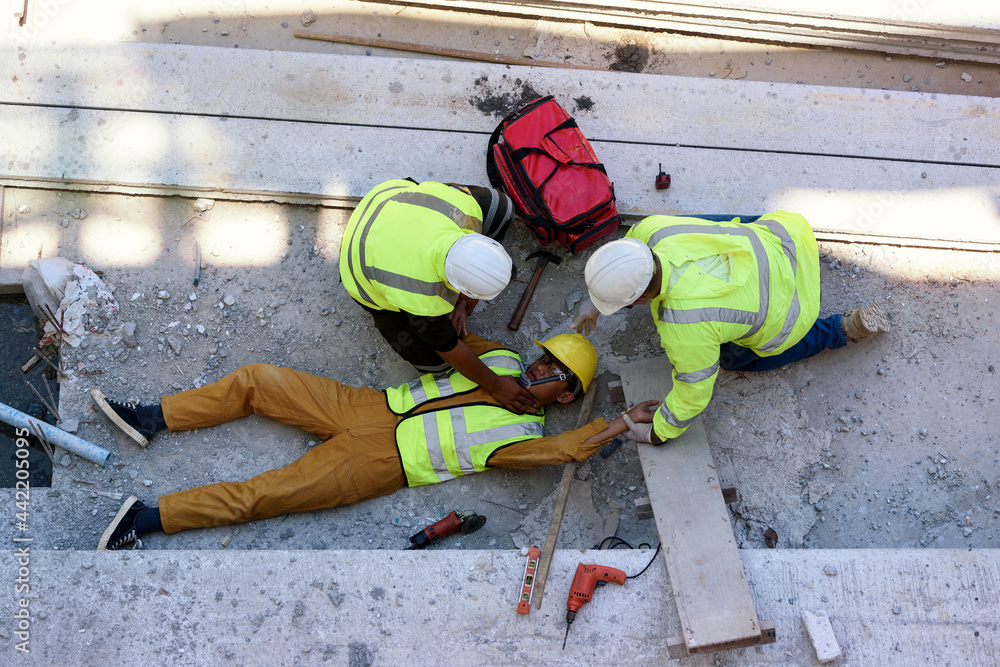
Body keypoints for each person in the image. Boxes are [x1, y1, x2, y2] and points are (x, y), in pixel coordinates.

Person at [90, 333, 659, 551]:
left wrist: (619, 424)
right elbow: (452, 338)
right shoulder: (504, 360)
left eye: (555, 372)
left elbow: (562, 452)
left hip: (379, 462)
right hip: (368, 405)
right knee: (258, 380)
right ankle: (151, 418)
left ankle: (148, 518)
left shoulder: (522, 435)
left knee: (263, 495)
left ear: (566, 395)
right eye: (544, 357)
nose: (539, 368)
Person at [573, 212, 889, 445]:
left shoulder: (683, 325)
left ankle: (841, 329)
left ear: (640, 300)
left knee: (732, 359)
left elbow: (694, 391)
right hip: (789, 239)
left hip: (796, 306)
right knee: (713, 225)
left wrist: (659, 432)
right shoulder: (651, 229)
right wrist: (598, 300)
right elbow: (626, 257)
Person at [340, 178, 537, 414]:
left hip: (384, 200)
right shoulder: (421, 297)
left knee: (500, 207)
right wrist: (495, 385)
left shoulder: (467, 209)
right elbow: (450, 348)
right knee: (434, 362)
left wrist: (464, 303)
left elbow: (497, 209)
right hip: (357, 262)